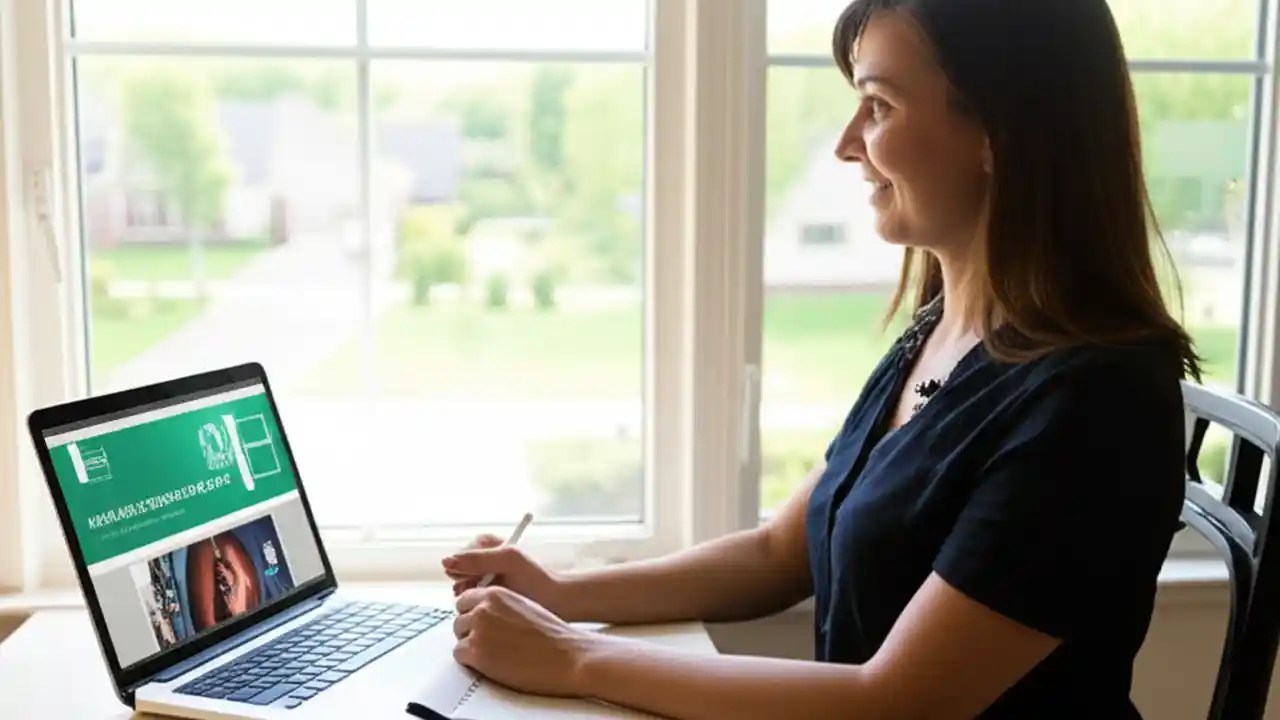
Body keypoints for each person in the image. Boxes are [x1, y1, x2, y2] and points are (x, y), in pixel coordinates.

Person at [442, 0, 1197, 716]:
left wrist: (573, 659)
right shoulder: (938, 333)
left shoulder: (1099, 402)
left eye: (878, 106)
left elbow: (898, 704)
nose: (846, 143)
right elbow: (779, 551)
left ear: (998, 132)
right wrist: (560, 594)